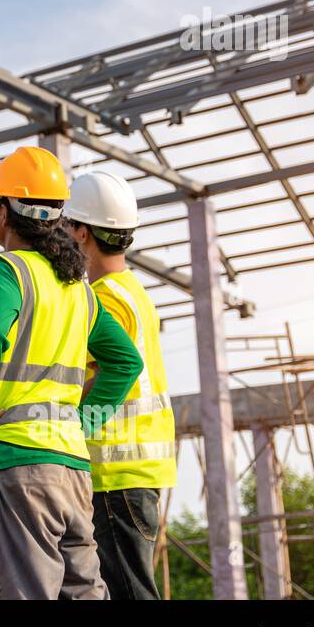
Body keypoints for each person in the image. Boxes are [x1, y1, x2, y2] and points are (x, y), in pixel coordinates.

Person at [0, 146, 143, 600]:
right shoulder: (79, 289)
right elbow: (125, 361)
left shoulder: (6, 269)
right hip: (72, 469)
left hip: (17, 468)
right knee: (84, 592)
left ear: (2, 212)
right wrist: (83, 423)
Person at [63, 170, 176, 600]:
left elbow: (100, 378)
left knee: (129, 592)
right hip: (138, 469)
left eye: (66, 227)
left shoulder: (104, 298)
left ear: (84, 232)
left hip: (115, 473)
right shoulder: (132, 291)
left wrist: (73, 426)